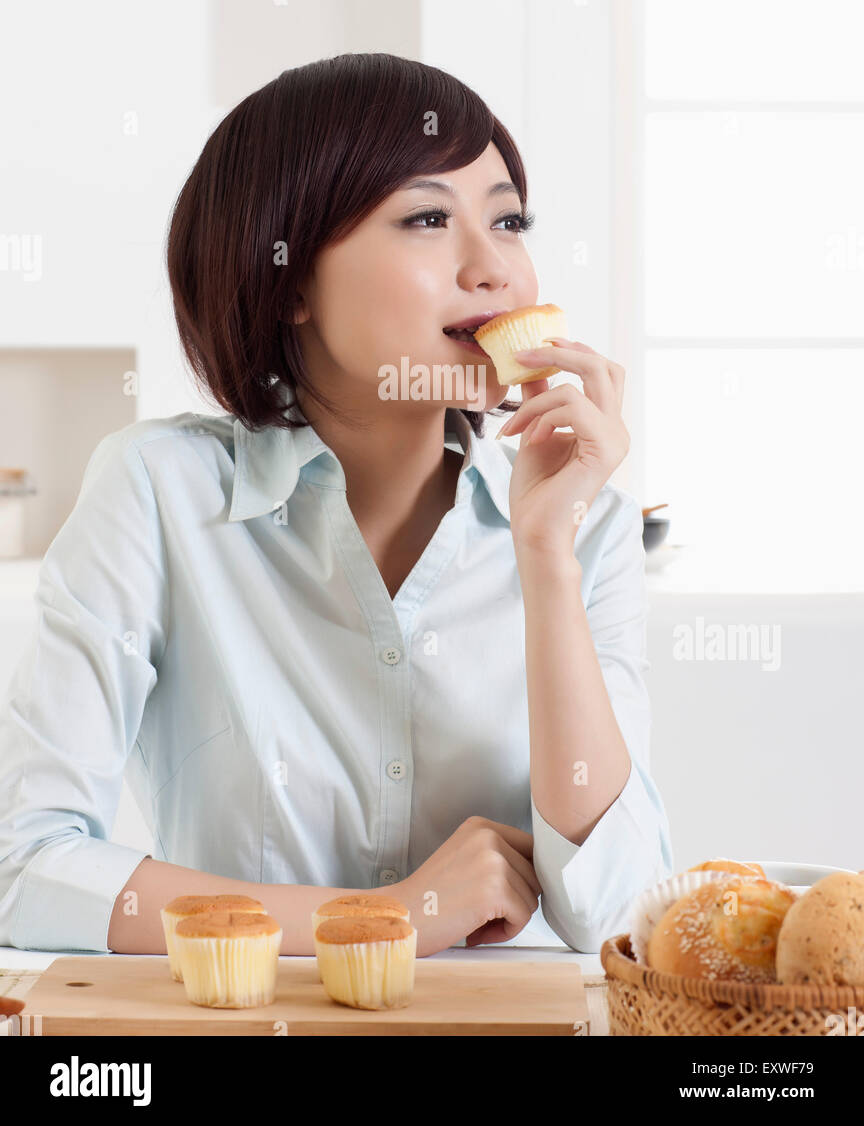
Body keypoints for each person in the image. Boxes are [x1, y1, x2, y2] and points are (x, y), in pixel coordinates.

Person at [0, 53, 672, 958]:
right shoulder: (158, 493)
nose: (495, 268)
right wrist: (385, 921)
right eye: (429, 218)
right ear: (290, 281)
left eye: (507, 218)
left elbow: (617, 912)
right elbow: (23, 871)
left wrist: (547, 557)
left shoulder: (583, 527)